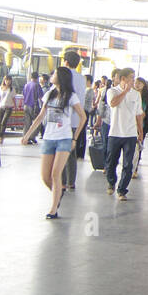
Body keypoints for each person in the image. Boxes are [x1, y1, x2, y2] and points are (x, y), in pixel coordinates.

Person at [20, 66, 85, 219]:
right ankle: (58, 194)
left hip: (64, 138)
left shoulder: (71, 96)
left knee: (56, 174)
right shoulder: (49, 94)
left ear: (61, 77)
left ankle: (53, 208)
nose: (52, 75)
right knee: (45, 177)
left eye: (54, 73)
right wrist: (27, 135)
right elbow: (40, 116)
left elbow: (83, 117)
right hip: (48, 138)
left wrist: (75, 138)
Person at [103, 68, 144, 200]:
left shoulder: (136, 94)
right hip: (115, 133)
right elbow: (113, 103)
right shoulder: (112, 91)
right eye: (131, 78)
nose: (133, 80)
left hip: (130, 134)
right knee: (111, 162)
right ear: (123, 79)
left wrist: (140, 131)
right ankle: (111, 181)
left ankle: (122, 190)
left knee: (128, 164)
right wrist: (125, 92)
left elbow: (138, 114)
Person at [60, 50, 88, 192]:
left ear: (65, 62)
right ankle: (71, 182)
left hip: (64, 119)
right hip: (77, 120)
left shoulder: (63, 76)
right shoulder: (82, 78)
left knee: (61, 152)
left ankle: (63, 182)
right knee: (72, 152)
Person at [21, 72, 43, 143]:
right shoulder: (37, 85)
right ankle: (32, 136)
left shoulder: (26, 85)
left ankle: (25, 138)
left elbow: (23, 94)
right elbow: (41, 97)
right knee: (37, 123)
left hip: (26, 105)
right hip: (33, 106)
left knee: (27, 123)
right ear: (37, 78)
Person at [0, 75, 16, 142]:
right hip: (1, 107)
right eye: (7, 80)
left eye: (9, 80)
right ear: (4, 80)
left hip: (8, 107)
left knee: (3, 122)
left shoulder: (12, 89)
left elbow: (13, 98)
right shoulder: (0, 88)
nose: (8, 82)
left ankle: (1, 137)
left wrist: (15, 107)